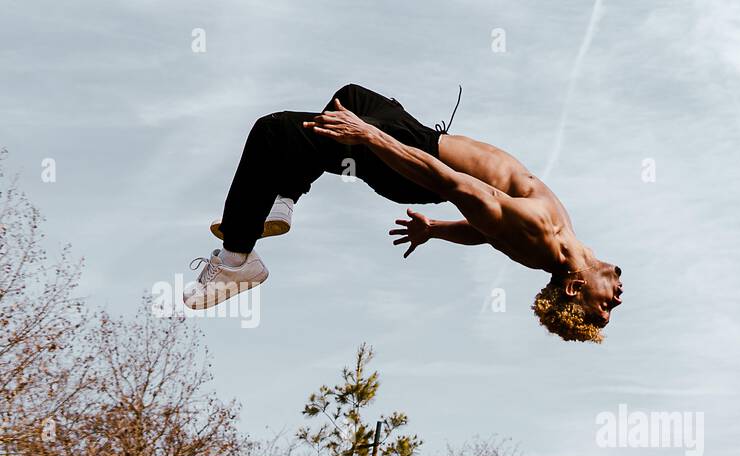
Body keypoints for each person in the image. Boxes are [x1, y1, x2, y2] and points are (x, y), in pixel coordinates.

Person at [186, 84, 623, 342]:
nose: (614, 304)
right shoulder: (552, 247)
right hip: (417, 142)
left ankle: (236, 260)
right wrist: (436, 230)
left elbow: (453, 184)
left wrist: (371, 138)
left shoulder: (541, 235)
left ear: (574, 290)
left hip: (412, 164)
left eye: (602, 312)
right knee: (350, 98)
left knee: (273, 131)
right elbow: (489, 230)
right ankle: (284, 194)